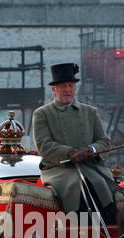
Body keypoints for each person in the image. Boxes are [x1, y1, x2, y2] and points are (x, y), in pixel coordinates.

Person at [32, 62, 117, 226]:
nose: (67, 90)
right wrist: (70, 153)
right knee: (78, 186)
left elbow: (104, 142)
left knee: (102, 185)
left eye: (70, 85)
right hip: (60, 169)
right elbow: (44, 145)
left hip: (92, 167)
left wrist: (90, 150)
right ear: (54, 89)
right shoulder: (42, 114)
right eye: (63, 86)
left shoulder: (90, 112)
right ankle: (80, 235)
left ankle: (109, 234)